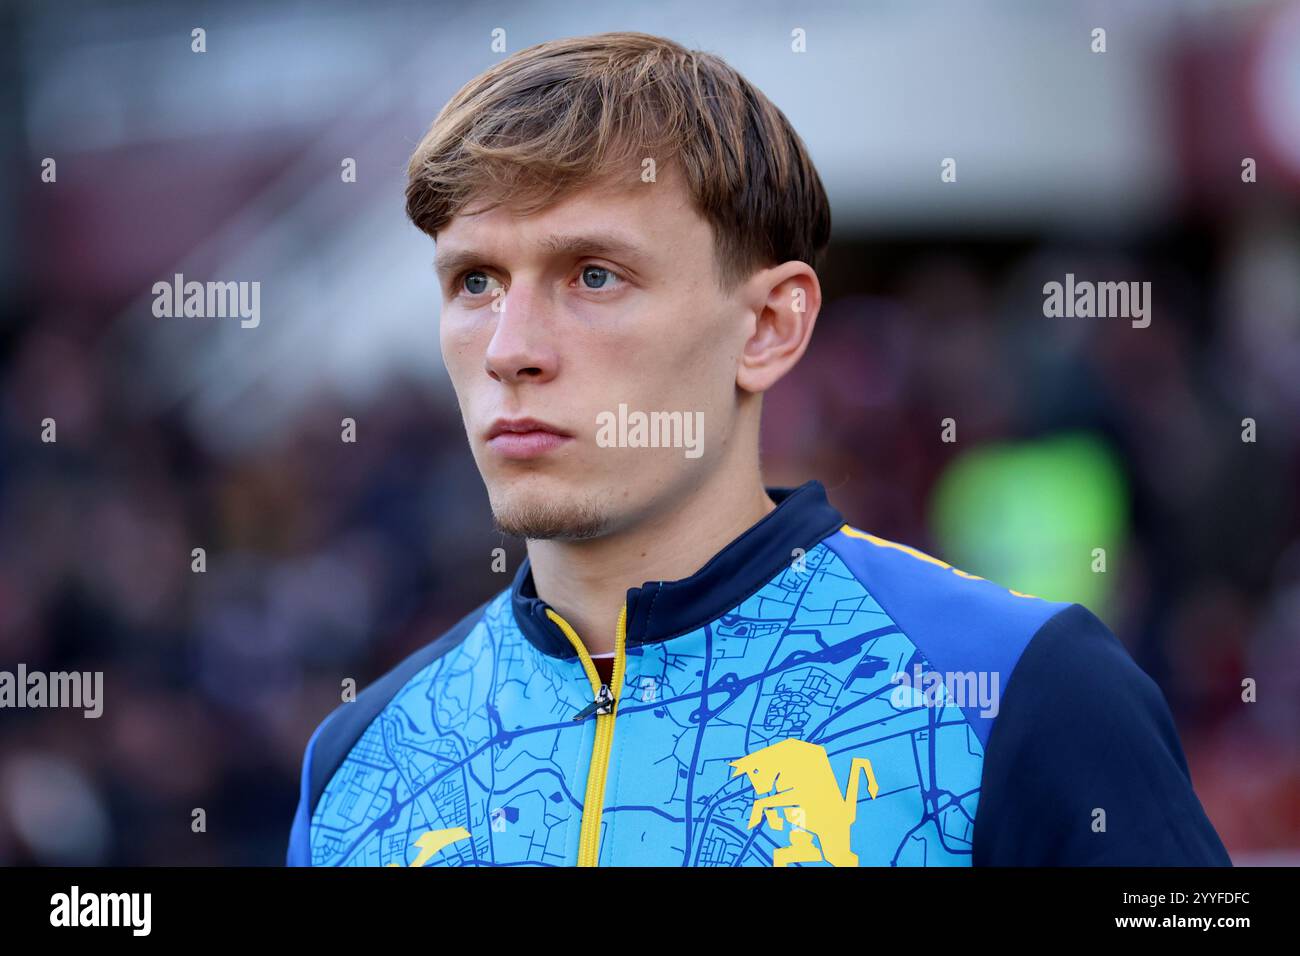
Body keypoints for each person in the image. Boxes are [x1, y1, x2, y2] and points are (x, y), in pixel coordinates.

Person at [287, 31, 1230, 867]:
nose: (510, 349)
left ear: (771, 326)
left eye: (595, 274)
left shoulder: (1027, 690)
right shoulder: (357, 764)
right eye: (476, 281)